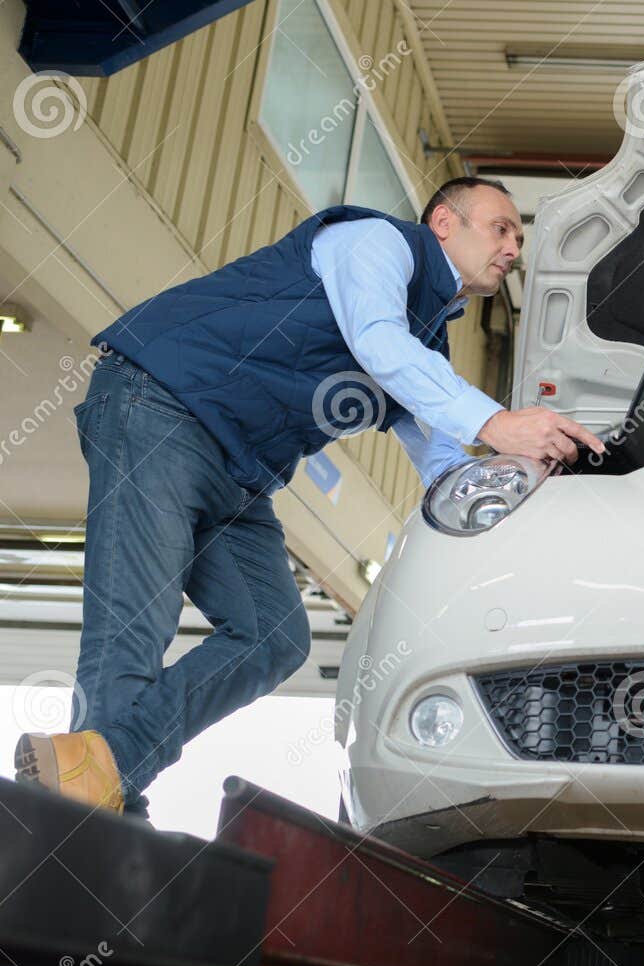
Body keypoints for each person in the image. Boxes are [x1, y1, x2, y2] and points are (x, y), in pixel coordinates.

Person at [14, 177, 605, 816]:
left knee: (274, 637)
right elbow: (380, 344)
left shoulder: (425, 339)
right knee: (136, 623)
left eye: (518, 237)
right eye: (501, 228)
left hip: (241, 471)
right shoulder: (374, 243)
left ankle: (106, 772)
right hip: (162, 406)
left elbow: (441, 458)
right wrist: (497, 421)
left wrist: (523, 482)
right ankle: (91, 816)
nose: (513, 247)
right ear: (443, 223)